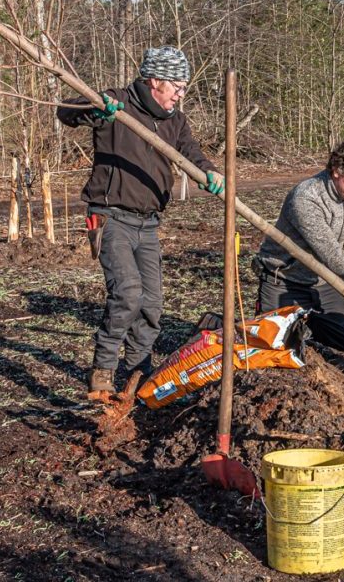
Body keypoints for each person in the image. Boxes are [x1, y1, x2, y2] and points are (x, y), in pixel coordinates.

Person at [57, 45, 223, 400]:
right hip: (110, 216)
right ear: (154, 81)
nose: (180, 94)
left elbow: (191, 152)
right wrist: (96, 107)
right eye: (176, 86)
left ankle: (138, 370)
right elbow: (66, 111)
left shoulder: (175, 121)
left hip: (148, 222)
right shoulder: (116, 103)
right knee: (128, 293)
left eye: (182, 87)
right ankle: (103, 368)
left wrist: (208, 172)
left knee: (151, 304)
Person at [251, 137, 344, 352]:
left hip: (323, 283)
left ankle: (311, 334)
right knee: (273, 351)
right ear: (337, 171)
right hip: (284, 281)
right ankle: (297, 332)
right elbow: (331, 256)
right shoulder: (306, 198)